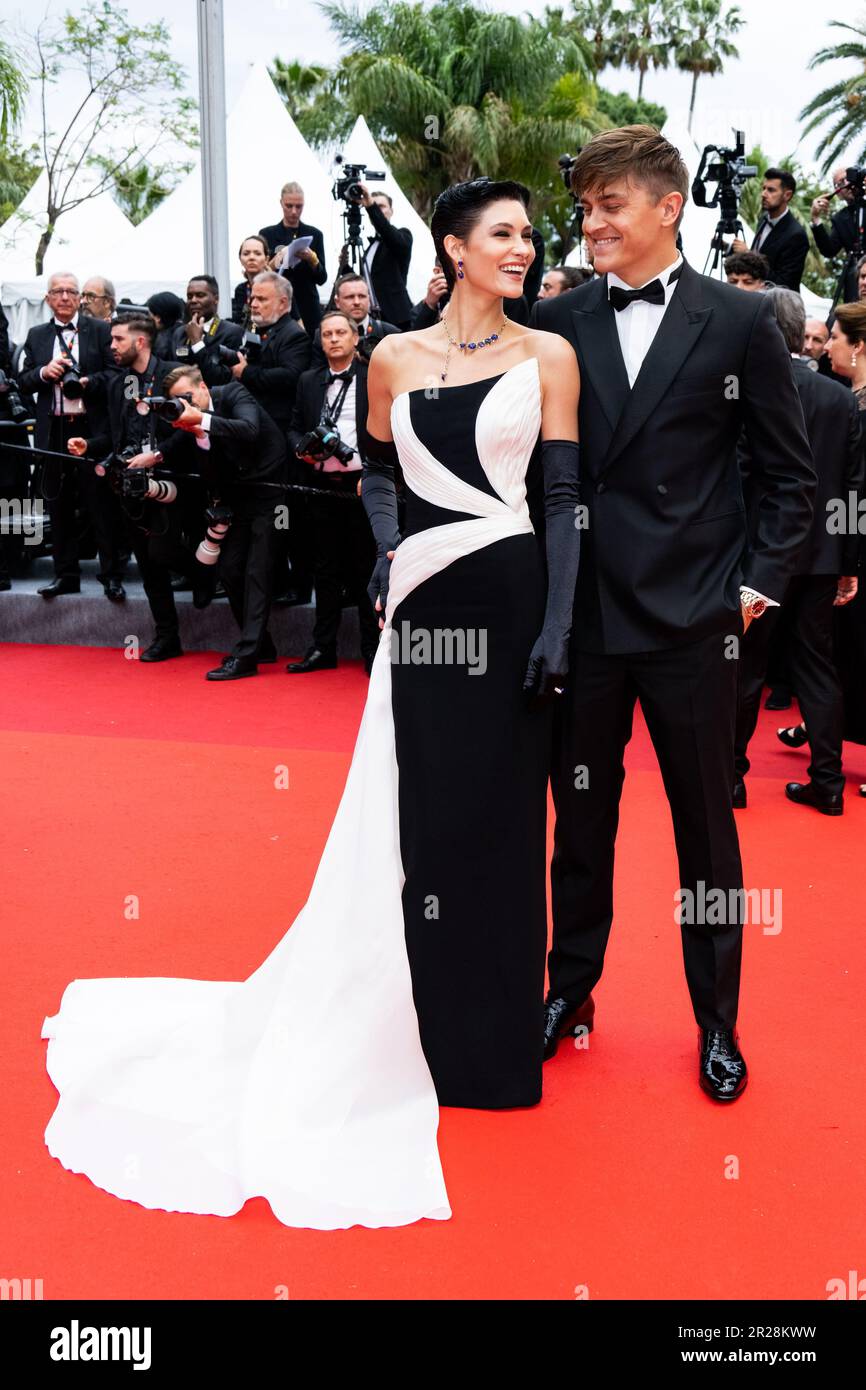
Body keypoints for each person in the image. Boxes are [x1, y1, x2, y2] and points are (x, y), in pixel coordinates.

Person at [41, 175, 581, 1228]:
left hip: (515, 598)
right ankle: (411, 1027)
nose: (523, 249)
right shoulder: (391, 356)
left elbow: (560, 499)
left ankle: (491, 1040)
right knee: (421, 816)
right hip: (424, 601)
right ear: (456, 248)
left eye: (529, 235)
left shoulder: (547, 355)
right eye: (505, 234)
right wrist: (386, 552)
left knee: (506, 821)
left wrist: (559, 624)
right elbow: (377, 473)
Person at [531, 125, 815, 1102]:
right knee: (580, 819)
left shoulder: (736, 323)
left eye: (610, 204)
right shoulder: (557, 318)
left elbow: (789, 477)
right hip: (589, 622)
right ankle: (568, 993)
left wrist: (752, 588)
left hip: (695, 625)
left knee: (705, 829)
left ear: (666, 207)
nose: (592, 221)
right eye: (585, 206)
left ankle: (716, 1021)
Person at [734, 289, 862, 816]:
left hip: (763, 556)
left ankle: (729, 781)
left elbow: (738, 475)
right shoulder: (837, 397)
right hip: (820, 557)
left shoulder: (748, 390)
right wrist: (849, 563)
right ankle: (828, 782)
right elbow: (855, 486)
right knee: (816, 667)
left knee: (746, 668)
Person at [66, 313, 203, 662]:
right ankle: (167, 637)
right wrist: (90, 445)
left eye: (117, 340)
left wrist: (156, 456)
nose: (111, 346)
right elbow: (118, 437)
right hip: (130, 485)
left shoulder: (174, 373)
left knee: (163, 553)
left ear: (139, 341)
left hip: (175, 479)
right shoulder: (117, 384)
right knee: (147, 564)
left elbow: (190, 429)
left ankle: (204, 574)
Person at [161, 365, 288, 679]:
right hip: (241, 497)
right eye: (178, 401)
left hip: (272, 492)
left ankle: (246, 657)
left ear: (203, 387)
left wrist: (201, 420)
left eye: (188, 397)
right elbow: (212, 476)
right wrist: (201, 436)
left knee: (258, 571)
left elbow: (249, 429)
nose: (185, 405)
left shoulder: (233, 392)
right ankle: (263, 645)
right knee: (230, 570)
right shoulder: (196, 423)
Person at [16, 271, 126, 600]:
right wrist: (42, 372)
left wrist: (90, 382)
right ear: (48, 299)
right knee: (58, 504)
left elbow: (118, 374)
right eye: (57, 292)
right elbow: (22, 381)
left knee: (100, 503)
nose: (64, 297)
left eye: (70, 292)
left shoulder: (101, 330)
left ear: (80, 298)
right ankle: (66, 574)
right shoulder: (36, 335)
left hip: (91, 428)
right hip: (54, 427)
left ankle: (111, 575)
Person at [286, 310, 379, 675]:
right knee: (324, 570)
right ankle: (322, 648)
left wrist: (375, 473)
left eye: (341, 332)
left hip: (362, 485)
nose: (335, 339)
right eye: (327, 334)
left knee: (365, 571)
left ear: (355, 338)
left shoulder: (373, 378)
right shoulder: (308, 380)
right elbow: (294, 426)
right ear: (320, 341)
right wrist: (301, 451)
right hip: (321, 486)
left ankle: (371, 651)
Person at [259, 182, 328, 333]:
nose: (294, 212)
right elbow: (262, 275)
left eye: (299, 206)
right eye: (289, 206)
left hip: (308, 305)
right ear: (281, 203)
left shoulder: (315, 234)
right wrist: (278, 259)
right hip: (278, 304)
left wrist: (312, 259)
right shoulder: (267, 234)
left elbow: (322, 278)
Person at [731, 168, 808, 291]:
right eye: (764, 188)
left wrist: (748, 255)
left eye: (771, 190)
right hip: (755, 298)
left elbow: (784, 284)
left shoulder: (796, 235)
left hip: (777, 305)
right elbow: (762, 256)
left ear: (787, 195)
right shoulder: (763, 219)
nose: (764, 194)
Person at [309, 272, 401, 368]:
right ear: (337, 302)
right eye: (350, 297)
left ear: (369, 299)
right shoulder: (323, 335)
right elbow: (316, 376)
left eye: (362, 296)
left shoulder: (392, 334)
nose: (357, 302)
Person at [354, 187, 414, 330]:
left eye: (381, 206)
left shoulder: (403, 235)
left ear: (391, 211)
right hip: (373, 317)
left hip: (396, 316)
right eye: (375, 206)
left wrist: (370, 206)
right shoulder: (370, 247)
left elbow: (387, 232)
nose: (377, 210)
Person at [810, 169, 862, 304]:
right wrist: (815, 219)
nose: (846, 184)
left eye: (847, 178)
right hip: (855, 284)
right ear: (838, 193)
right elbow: (829, 250)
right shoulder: (839, 219)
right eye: (839, 183)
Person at [170, 276, 244, 369]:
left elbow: (223, 376)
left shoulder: (232, 332)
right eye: (189, 296)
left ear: (216, 299)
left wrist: (196, 342)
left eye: (200, 295)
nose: (193, 300)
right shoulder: (179, 333)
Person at [231, 235, 270, 328]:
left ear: (266, 259)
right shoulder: (241, 289)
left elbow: (297, 322)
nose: (251, 257)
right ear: (240, 259)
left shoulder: (278, 287)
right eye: (246, 253)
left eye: (257, 253)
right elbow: (239, 321)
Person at [146, 291, 186, 361]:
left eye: (149, 315)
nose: (148, 319)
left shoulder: (159, 341)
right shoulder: (188, 333)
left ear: (157, 318)